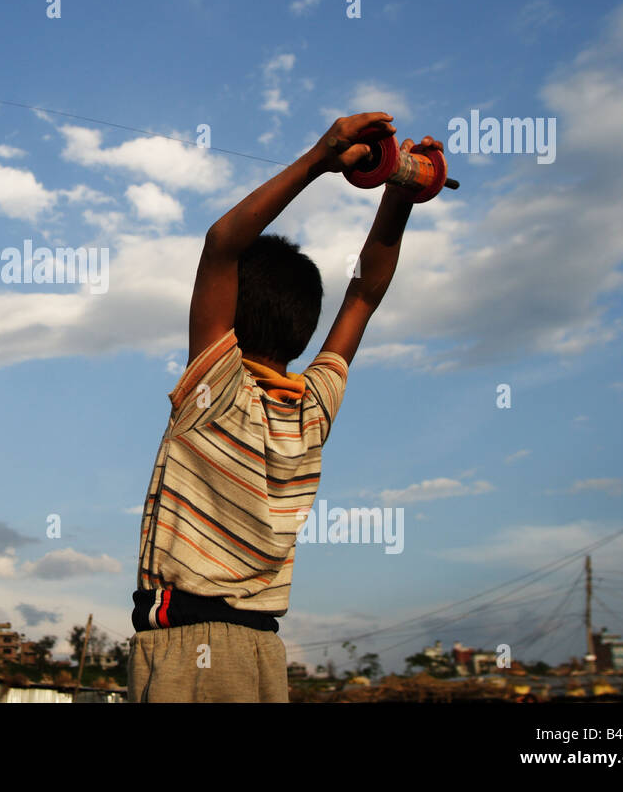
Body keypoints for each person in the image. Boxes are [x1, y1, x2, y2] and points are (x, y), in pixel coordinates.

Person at [128, 112, 443, 702]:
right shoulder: (311, 411)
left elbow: (222, 244)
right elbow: (366, 293)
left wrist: (320, 159)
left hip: (191, 653)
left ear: (229, 319)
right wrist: (400, 189)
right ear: (300, 331)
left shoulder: (215, 390)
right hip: (262, 655)